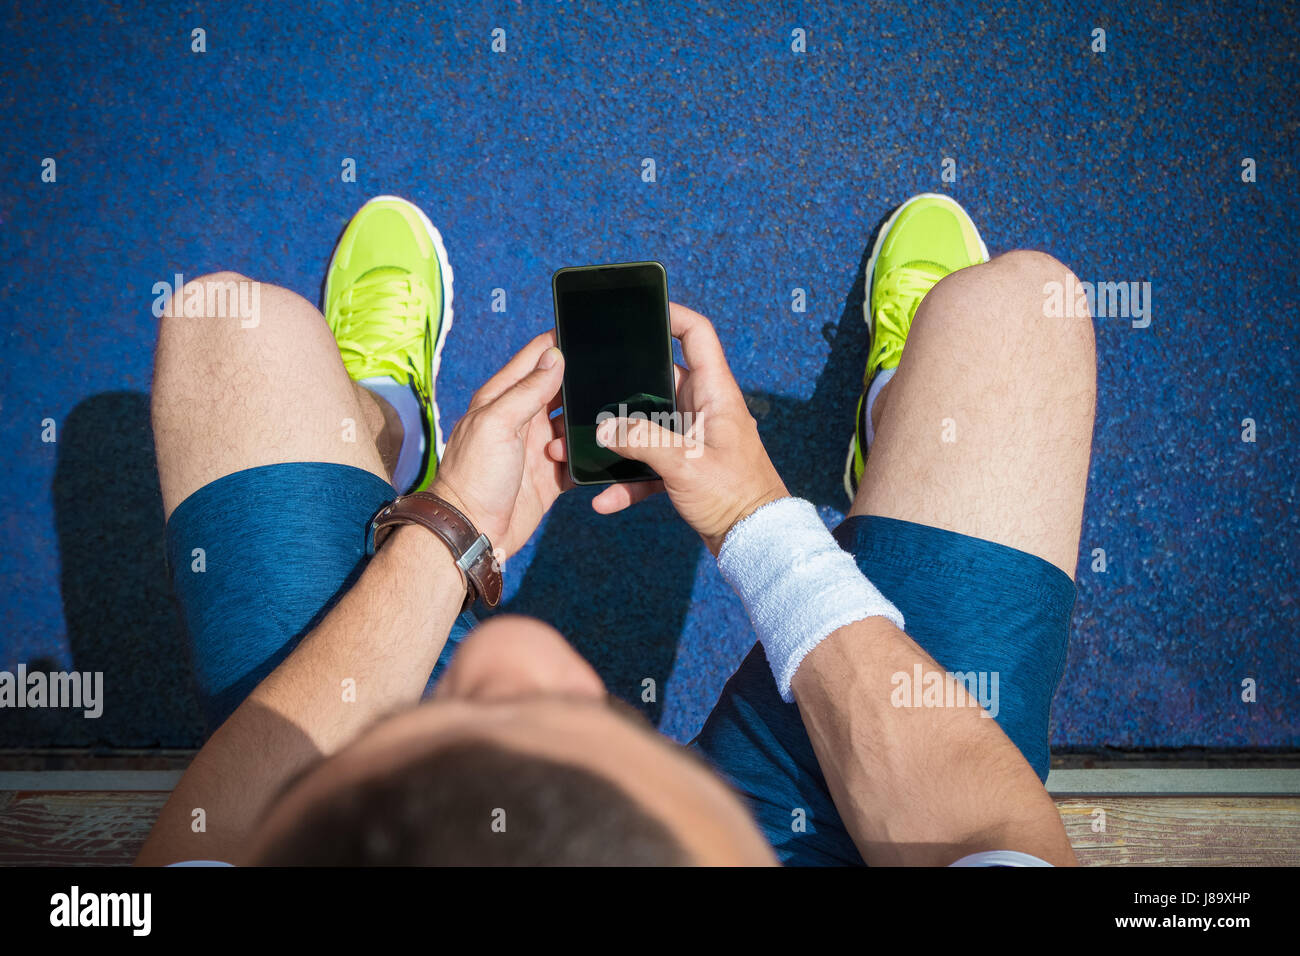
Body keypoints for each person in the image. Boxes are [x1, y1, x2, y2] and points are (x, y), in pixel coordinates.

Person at [138, 192, 1094, 866]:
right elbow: (994, 845)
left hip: (407, 823)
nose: (514, 660)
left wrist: (448, 531)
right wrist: (756, 523)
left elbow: (213, 844)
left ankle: (383, 424)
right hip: (810, 838)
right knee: (1013, 318)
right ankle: (899, 427)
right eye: (557, 701)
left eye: (497, 688)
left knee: (233, 333)